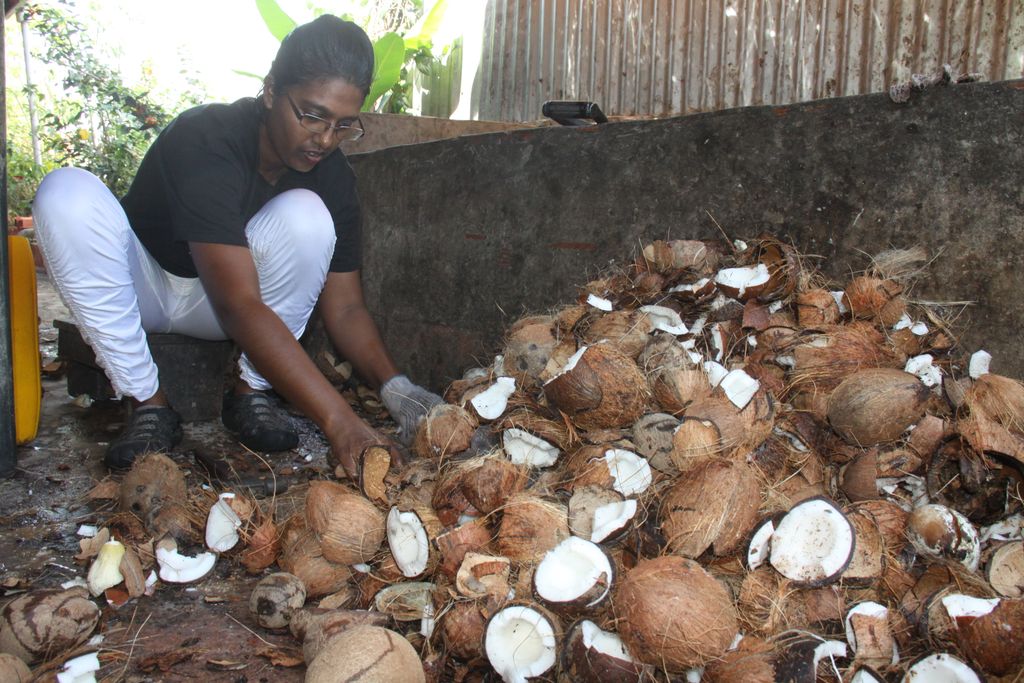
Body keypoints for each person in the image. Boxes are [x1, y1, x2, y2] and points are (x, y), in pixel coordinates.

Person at [32, 15, 443, 476]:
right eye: (312, 115)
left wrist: (399, 389)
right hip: (143, 292)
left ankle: (252, 394)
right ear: (270, 91)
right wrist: (341, 423)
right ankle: (148, 401)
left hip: (215, 312)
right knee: (64, 193)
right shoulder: (207, 138)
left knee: (307, 215)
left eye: (344, 124)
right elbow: (239, 305)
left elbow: (346, 309)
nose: (325, 139)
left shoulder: (332, 177)